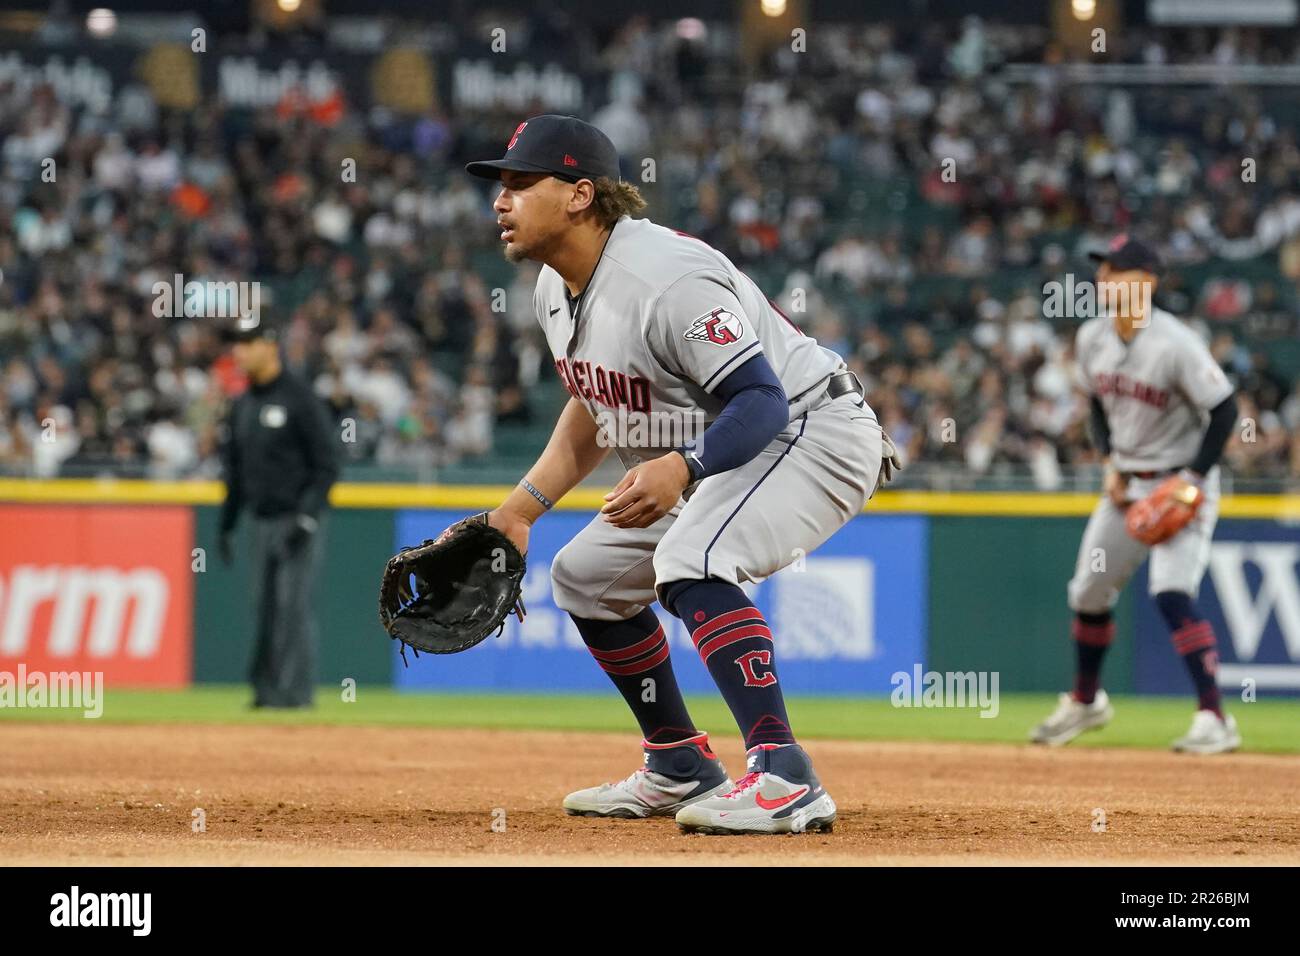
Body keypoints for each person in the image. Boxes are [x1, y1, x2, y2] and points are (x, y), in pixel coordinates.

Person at [464, 115, 899, 834]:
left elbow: (761, 397)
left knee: (694, 557)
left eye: (518, 183)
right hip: (716, 453)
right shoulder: (553, 287)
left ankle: (784, 772)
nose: (500, 201)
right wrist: (519, 512)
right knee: (584, 578)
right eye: (499, 186)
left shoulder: (664, 279)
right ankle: (678, 763)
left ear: (579, 195)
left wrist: (685, 466)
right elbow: (596, 405)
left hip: (807, 429)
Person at [1031, 237, 1241, 753]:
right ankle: (1086, 702)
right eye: (1101, 270)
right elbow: (1099, 405)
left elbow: (1225, 410)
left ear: (1146, 281)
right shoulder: (1092, 337)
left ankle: (1215, 718)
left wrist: (1192, 478)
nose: (1103, 279)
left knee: (1171, 594)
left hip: (1179, 485)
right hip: (1126, 485)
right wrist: (1108, 463)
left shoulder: (1176, 343)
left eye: (1116, 270)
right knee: (1087, 594)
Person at [218, 314, 339, 708]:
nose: (239, 350)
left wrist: (307, 516)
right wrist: (227, 524)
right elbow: (235, 472)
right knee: (265, 607)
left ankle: (296, 694)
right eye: (237, 342)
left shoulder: (299, 398)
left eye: (248, 342)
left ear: (270, 346)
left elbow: (327, 464)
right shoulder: (242, 405)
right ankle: (265, 692)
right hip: (260, 519)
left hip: (296, 519)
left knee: (292, 606)